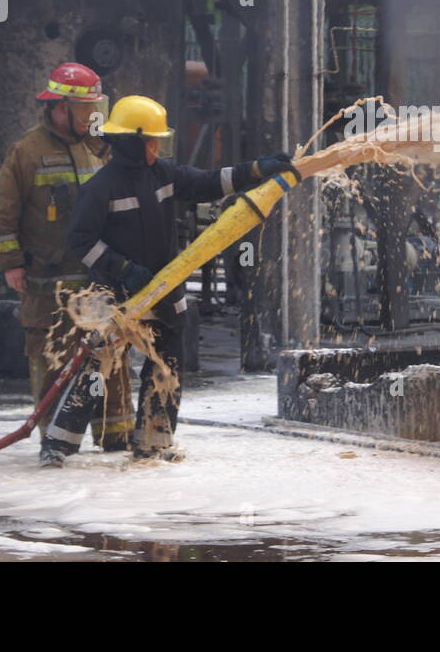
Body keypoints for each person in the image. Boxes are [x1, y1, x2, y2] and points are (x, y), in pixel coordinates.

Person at [42, 94, 295, 466]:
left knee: (166, 368)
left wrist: (257, 169)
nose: (157, 147)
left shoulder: (163, 173)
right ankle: (58, 446)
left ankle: (153, 443)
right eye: (151, 140)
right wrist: (122, 269)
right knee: (95, 369)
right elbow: (80, 241)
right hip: (112, 295)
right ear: (131, 142)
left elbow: (211, 182)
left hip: (163, 291)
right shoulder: (101, 187)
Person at [0, 62, 134, 449]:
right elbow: (2, 212)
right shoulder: (26, 152)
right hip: (45, 283)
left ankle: (116, 435)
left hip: (95, 281)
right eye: (85, 110)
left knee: (109, 357)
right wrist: (11, 263)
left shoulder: (98, 148)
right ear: (59, 107)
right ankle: (55, 442)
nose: (92, 117)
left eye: (94, 109)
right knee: (50, 358)